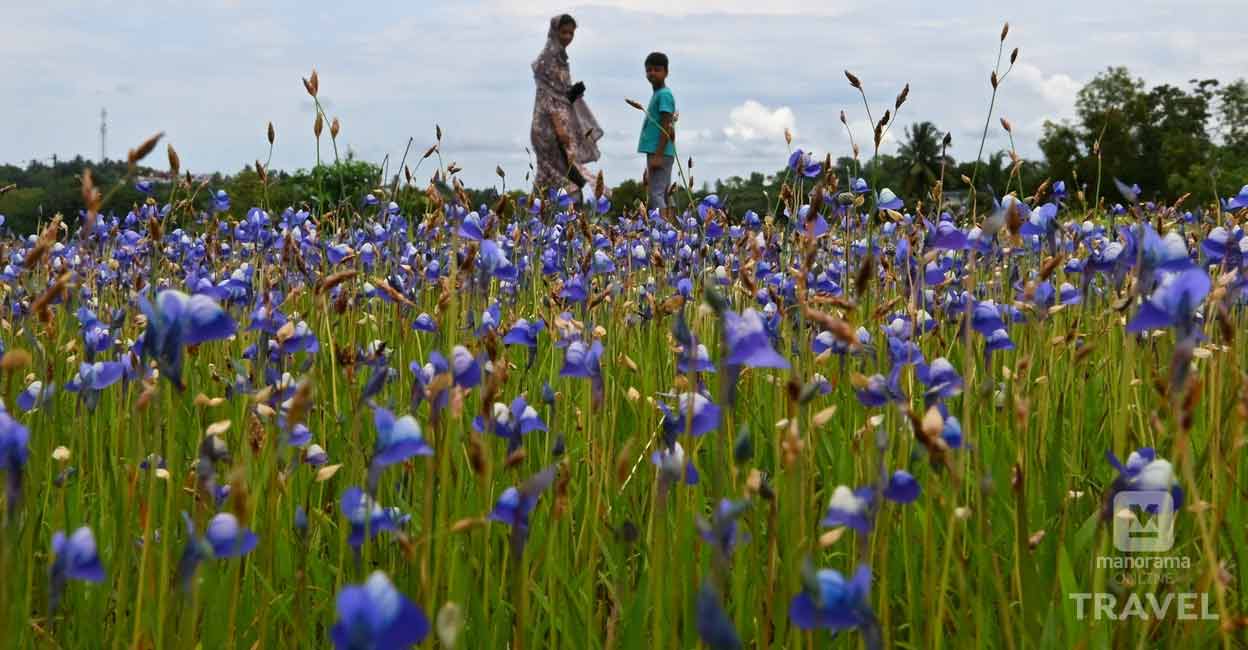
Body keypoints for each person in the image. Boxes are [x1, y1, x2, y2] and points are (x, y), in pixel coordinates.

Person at [530, 14, 603, 202]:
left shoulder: (560, 57)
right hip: (549, 127)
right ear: (554, 32)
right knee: (562, 171)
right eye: (564, 32)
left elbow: (558, 92)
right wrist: (559, 128)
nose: (568, 37)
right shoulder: (548, 58)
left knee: (561, 172)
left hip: (561, 122)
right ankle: (565, 211)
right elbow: (545, 96)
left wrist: (571, 93)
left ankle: (547, 212)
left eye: (571, 33)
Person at [637, 51, 675, 217]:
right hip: (658, 151)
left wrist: (658, 154)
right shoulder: (658, 94)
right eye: (649, 70)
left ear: (666, 72)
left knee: (656, 194)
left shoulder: (664, 95)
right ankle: (671, 225)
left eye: (657, 70)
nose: (652, 73)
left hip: (660, 151)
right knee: (664, 193)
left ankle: (661, 228)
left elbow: (666, 124)